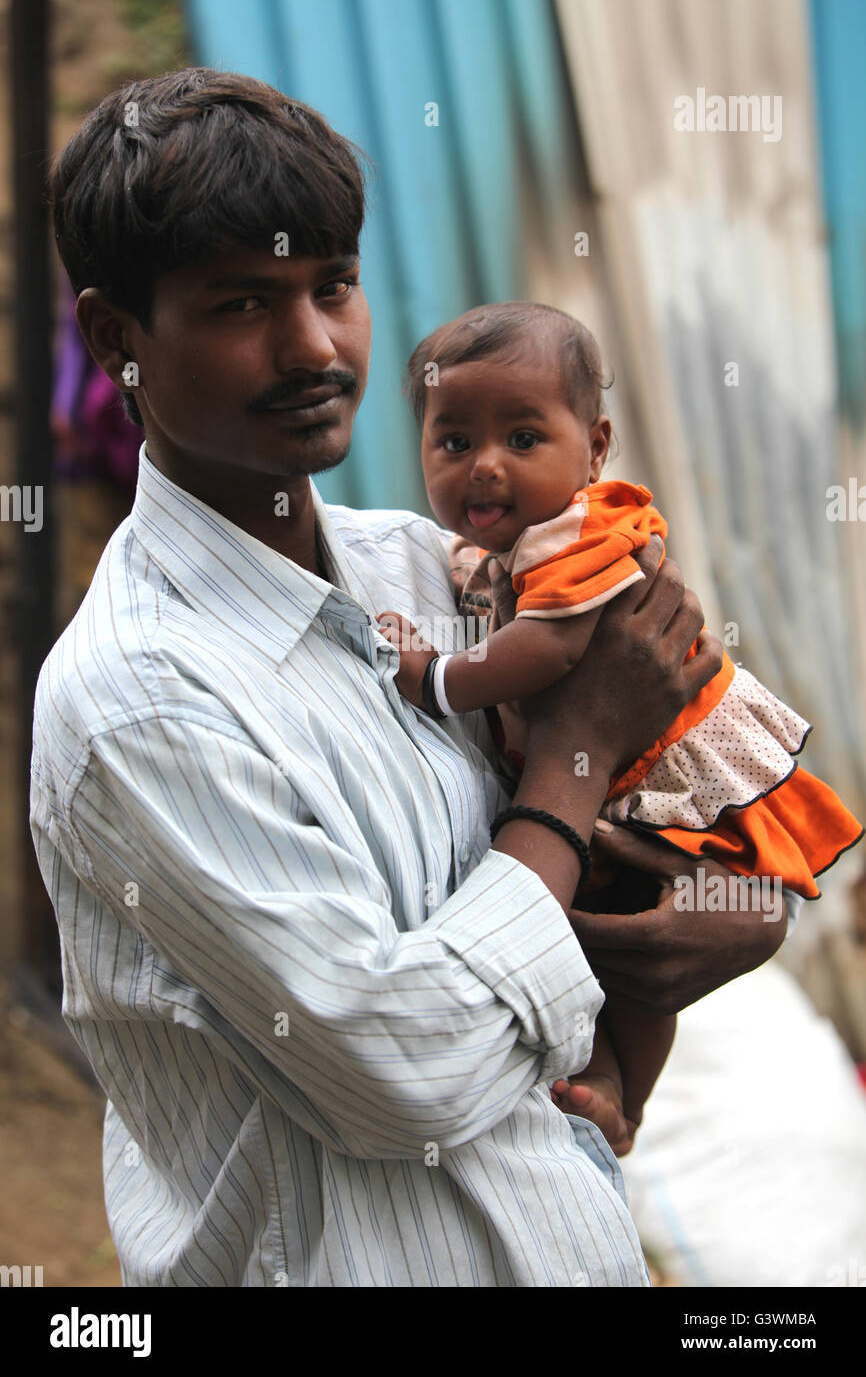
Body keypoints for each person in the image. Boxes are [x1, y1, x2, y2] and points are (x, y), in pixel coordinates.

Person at [31, 67, 794, 1288]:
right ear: (117, 339)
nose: (314, 346)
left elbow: (636, 823)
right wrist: (572, 761)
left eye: (332, 286)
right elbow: (408, 1068)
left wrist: (724, 909)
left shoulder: (442, 571)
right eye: (241, 302)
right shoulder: (140, 699)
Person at [377, 301, 863, 1153]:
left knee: (646, 958)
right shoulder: (495, 553)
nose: (485, 467)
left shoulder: (585, 536)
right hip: (612, 791)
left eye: (523, 439)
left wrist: (439, 676)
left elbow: (548, 648)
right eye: (454, 443)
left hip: (673, 788)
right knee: (606, 960)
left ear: (595, 448)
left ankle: (627, 1094)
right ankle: (607, 1080)